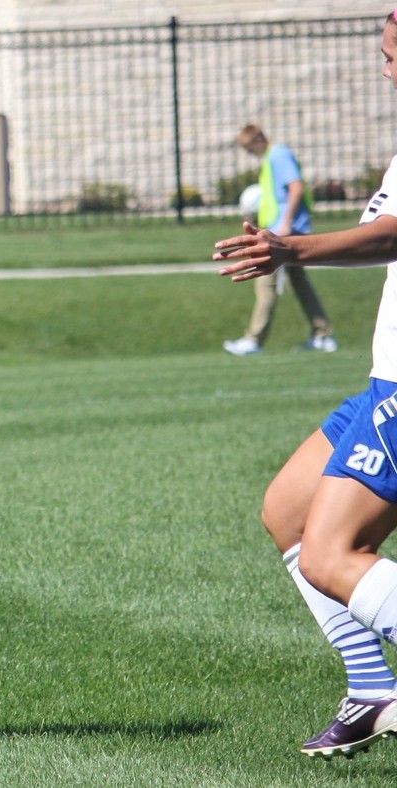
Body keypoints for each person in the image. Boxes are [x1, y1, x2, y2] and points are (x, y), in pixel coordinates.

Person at [211, 9, 397, 758]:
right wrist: (297, 254)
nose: (385, 70)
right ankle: (375, 689)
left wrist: (294, 244)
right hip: (384, 381)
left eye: (392, 55)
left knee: (330, 553)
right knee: (287, 510)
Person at [223, 123, 338, 356]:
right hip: (281, 229)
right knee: (299, 282)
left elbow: (295, 188)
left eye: (247, 148)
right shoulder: (271, 158)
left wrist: (285, 223)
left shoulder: (278, 154)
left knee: (265, 280)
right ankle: (323, 334)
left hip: (285, 231)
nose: (249, 154)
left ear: (256, 141)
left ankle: (254, 339)